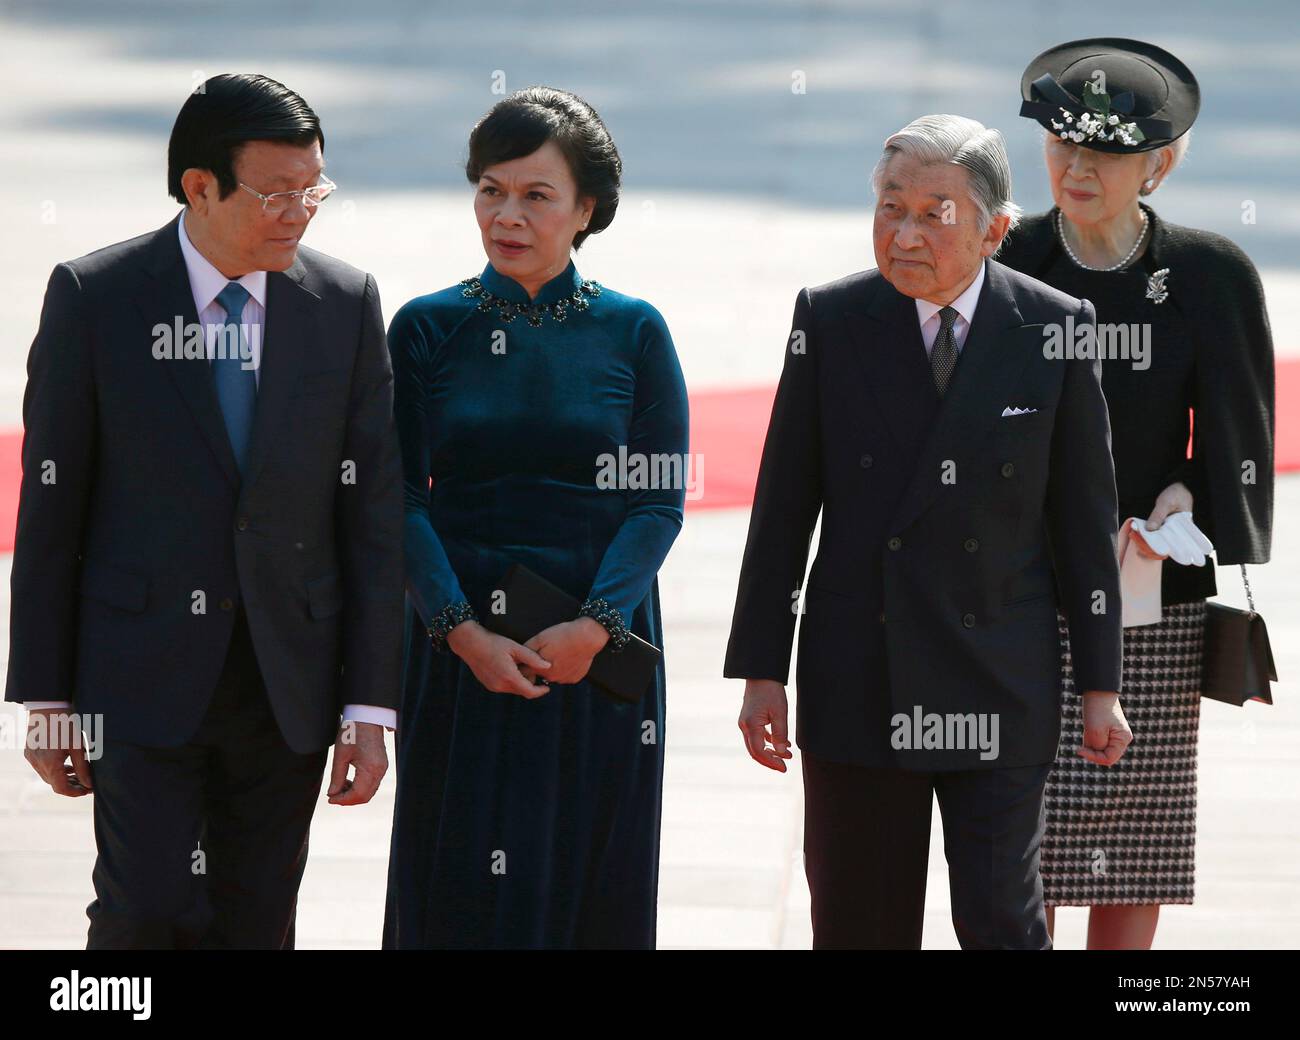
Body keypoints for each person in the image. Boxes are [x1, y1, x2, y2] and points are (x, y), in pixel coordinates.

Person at [6, 73, 404, 949]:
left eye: (314, 191)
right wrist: (45, 694)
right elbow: (52, 505)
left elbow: (373, 514)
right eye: (276, 193)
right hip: (137, 680)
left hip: (286, 683)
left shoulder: (343, 305)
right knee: (145, 912)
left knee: (257, 921)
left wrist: (371, 709)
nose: (300, 212)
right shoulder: (97, 296)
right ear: (199, 186)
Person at [724, 113, 1132, 950]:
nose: (905, 233)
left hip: (1000, 678)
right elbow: (783, 509)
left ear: (995, 230)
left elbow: (1084, 524)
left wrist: (1102, 685)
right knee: (860, 923)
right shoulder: (832, 319)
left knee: (1003, 922)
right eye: (889, 207)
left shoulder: (1056, 326)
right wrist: (762, 669)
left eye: (934, 212)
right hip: (860, 675)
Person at [382, 86, 689, 949]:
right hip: (462, 643)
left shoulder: (633, 331)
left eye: (536, 195)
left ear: (586, 208)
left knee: (594, 876)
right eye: (490, 189)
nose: (506, 214)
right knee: (456, 884)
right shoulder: (425, 328)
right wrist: (459, 631)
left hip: (597, 645)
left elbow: (656, 502)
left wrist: (593, 626)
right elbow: (400, 499)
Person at [1000, 38, 1274, 949]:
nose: (1077, 168)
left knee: (1137, 827)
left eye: (1106, 153)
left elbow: (1239, 440)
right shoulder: (1005, 260)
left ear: (1158, 164)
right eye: (1062, 145)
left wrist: (1185, 506)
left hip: (1146, 579)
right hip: (1014, 580)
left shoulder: (1210, 274)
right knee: (1013, 825)